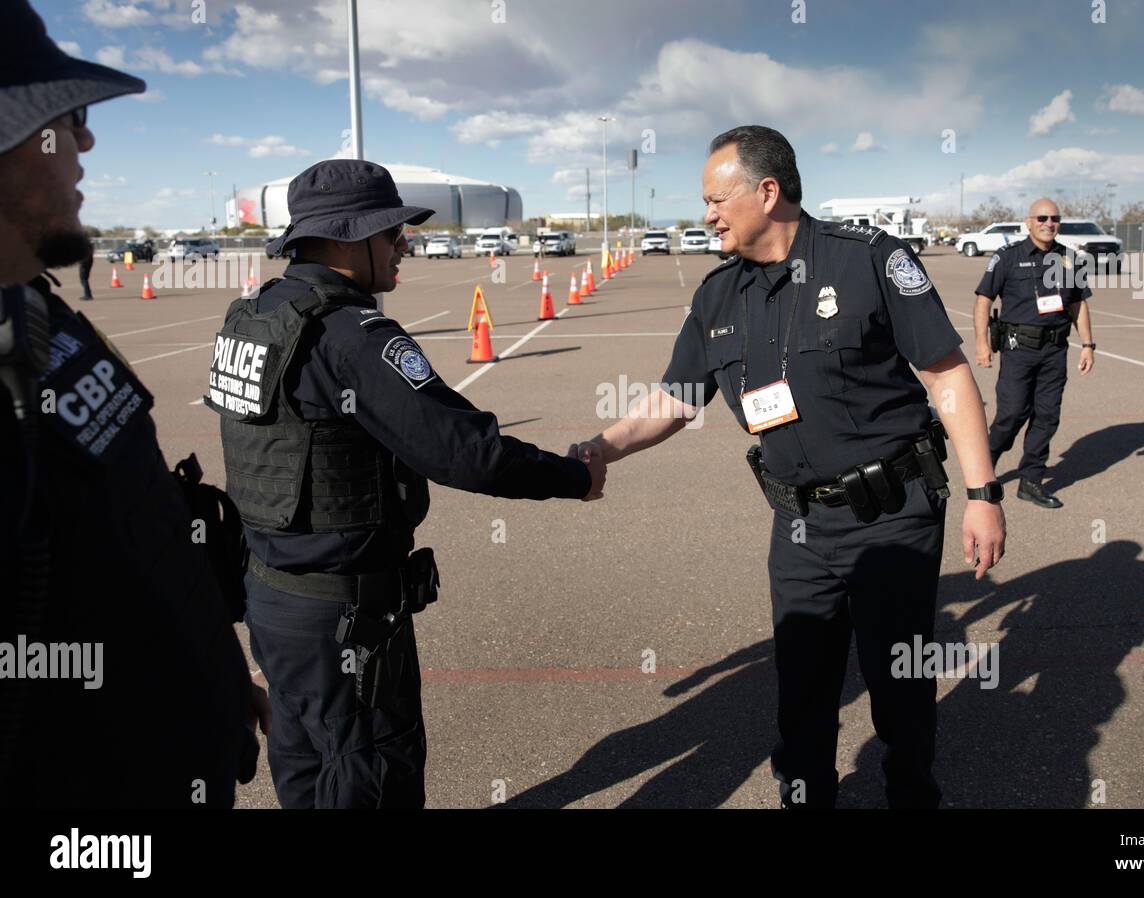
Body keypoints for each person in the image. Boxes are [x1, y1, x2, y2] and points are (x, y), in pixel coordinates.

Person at [572, 125, 1005, 808]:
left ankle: (912, 796)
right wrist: (604, 446)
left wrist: (983, 493)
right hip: (799, 525)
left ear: (767, 192)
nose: (706, 213)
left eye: (717, 198)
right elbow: (676, 399)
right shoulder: (717, 296)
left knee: (899, 691)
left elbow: (947, 375)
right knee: (802, 693)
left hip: (892, 513)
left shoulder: (867, 261)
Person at [208, 159, 605, 808]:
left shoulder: (252, 318)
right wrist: (572, 476)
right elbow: (464, 452)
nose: (404, 246)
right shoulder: (354, 337)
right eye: (390, 235)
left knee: (305, 766)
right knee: (371, 774)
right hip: (345, 616)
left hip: (272, 599)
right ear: (344, 240)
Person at [0, 0, 266, 808]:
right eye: (68, 116)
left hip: (180, 747)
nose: (85, 140)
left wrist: (217, 675)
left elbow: (137, 524)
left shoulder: (40, 316)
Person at [973, 198, 1096, 509]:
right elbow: (983, 301)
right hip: (1018, 349)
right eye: (1041, 217)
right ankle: (983, 470)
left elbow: (1078, 304)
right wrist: (982, 343)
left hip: (1055, 350)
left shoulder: (1070, 260)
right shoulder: (1007, 257)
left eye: (1054, 218)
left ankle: (1031, 480)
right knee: (1012, 414)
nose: (1048, 223)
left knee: (1046, 417)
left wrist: (1088, 345)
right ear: (1028, 222)